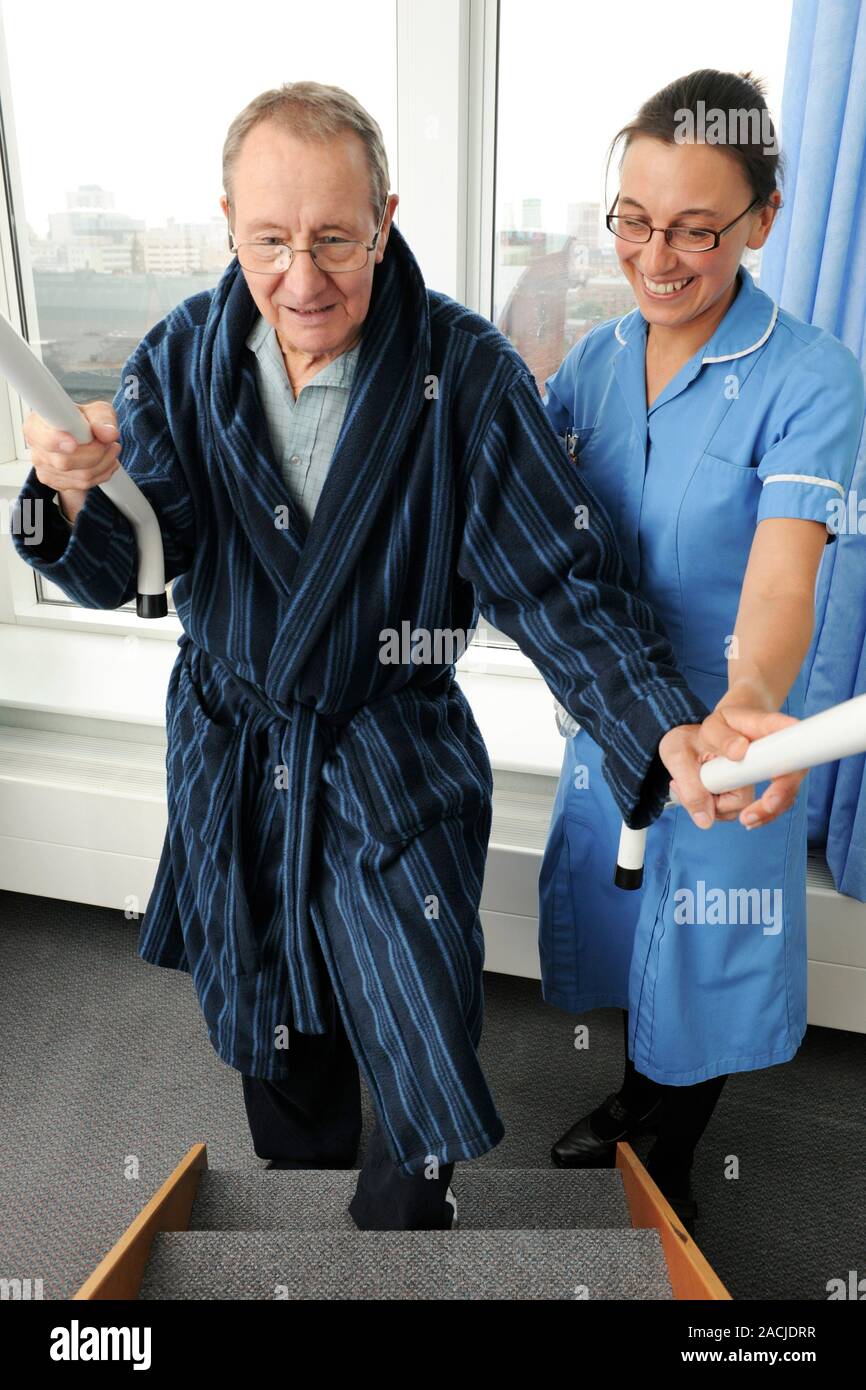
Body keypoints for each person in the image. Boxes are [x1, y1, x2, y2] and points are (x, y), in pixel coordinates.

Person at [12, 81, 802, 1234]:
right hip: (238, 746)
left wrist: (665, 729)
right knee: (269, 995)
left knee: (412, 1002)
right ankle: (299, 1180)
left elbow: (556, 584)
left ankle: (403, 1224)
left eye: (335, 237)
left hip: (393, 746)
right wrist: (60, 494)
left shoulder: (466, 375)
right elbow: (130, 564)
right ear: (228, 223)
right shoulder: (182, 354)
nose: (302, 277)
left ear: (383, 217)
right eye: (269, 240)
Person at [538, 69, 865, 1226]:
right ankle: (633, 1101)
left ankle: (666, 1155)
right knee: (628, 930)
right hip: (610, 723)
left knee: (704, 959)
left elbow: (784, 573)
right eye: (631, 219)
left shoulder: (810, 376)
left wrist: (748, 701)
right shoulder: (586, 363)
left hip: (726, 736)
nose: (655, 254)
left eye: (693, 228)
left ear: (761, 222)